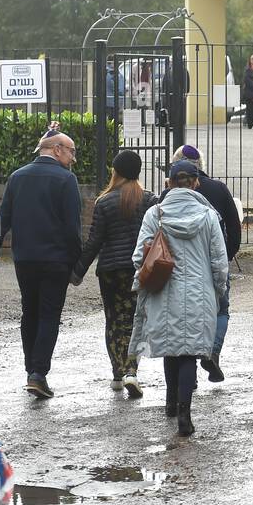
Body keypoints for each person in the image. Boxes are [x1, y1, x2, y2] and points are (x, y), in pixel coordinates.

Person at [130, 159, 229, 437]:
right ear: (196, 183)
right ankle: (185, 414)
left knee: (171, 347)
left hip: (163, 290)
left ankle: (170, 403)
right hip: (199, 292)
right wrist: (218, 290)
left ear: (170, 183)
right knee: (189, 352)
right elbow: (219, 262)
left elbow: (138, 256)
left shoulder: (155, 214)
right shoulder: (208, 216)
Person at [0, 123, 82, 400]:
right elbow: (72, 227)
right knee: (49, 315)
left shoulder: (17, 177)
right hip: (56, 260)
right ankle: (38, 373)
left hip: (25, 259)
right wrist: (77, 262)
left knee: (29, 313)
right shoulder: (66, 180)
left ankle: (32, 371)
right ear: (57, 149)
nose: (73, 158)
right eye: (71, 152)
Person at [72, 150, 157, 399]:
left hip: (110, 270)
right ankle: (132, 370)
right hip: (139, 269)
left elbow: (94, 241)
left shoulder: (105, 201)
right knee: (136, 320)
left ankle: (118, 374)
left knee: (114, 321)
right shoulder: (150, 200)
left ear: (116, 172)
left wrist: (78, 271)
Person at [171, 144, 242, 383]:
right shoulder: (219, 189)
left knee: (186, 317)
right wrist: (227, 255)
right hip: (214, 262)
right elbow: (234, 227)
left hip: (182, 267)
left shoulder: (169, 195)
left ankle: (187, 377)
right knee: (220, 309)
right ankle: (212, 350)